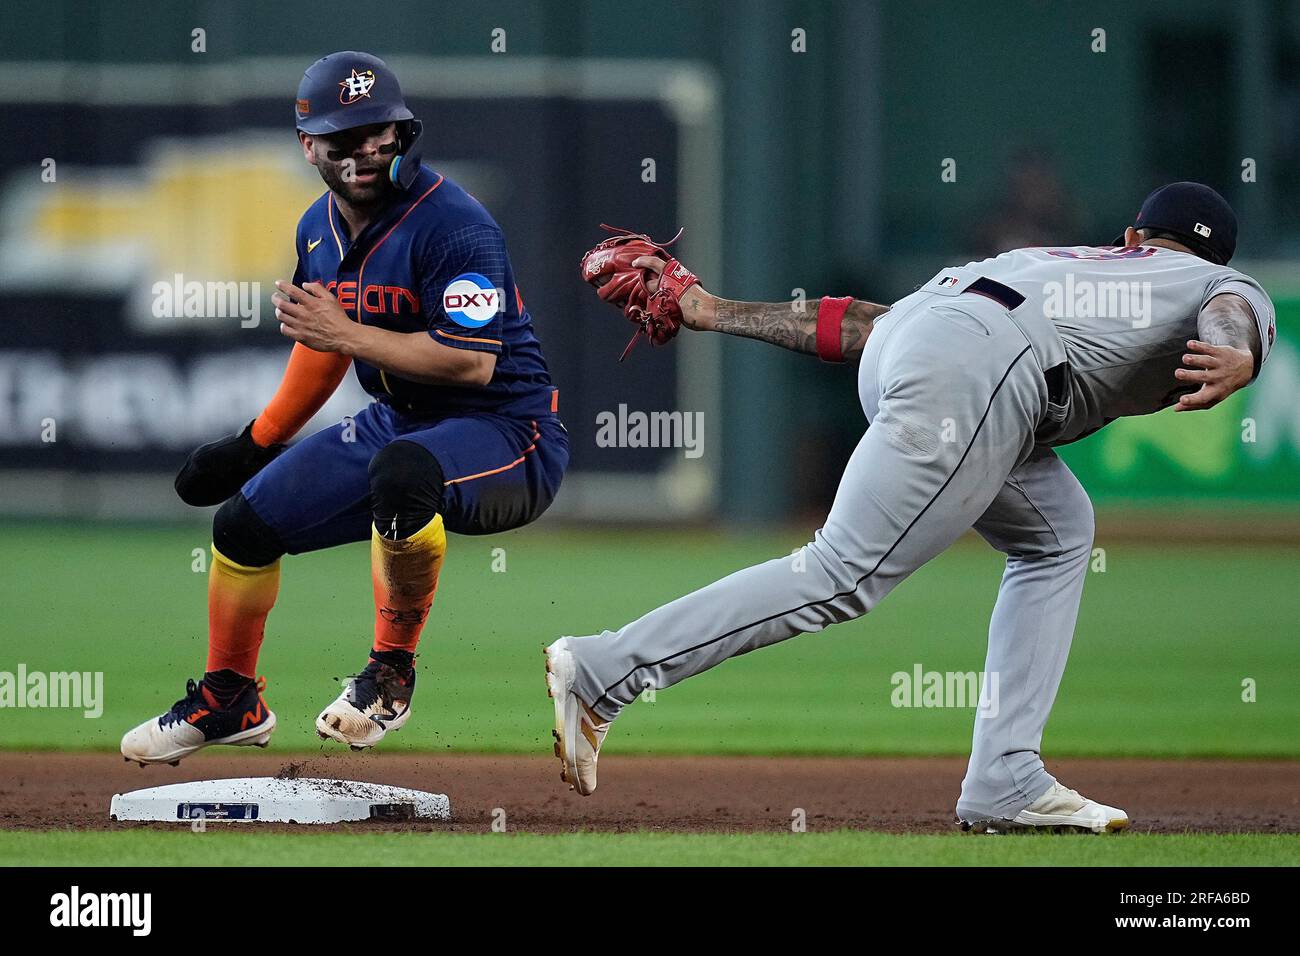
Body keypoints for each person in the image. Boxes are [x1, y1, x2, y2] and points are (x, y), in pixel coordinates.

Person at [548, 182, 1273, 832]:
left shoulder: (1059, 261)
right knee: (840, 574)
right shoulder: (1215, 279)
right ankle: (608, 668)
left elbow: (866, 326)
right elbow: (1229, 307)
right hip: (990, 375)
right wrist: (1236, 353)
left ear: (1133, 239)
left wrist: (711, 310)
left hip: (924, 347)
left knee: (1059, 532)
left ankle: (1004, 776)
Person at [122, 51, 568, 765]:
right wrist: (257, 442)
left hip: (509, 432)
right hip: (403, 424)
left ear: (401, 134)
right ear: (309, 146)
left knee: (401, 476)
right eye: (342, 137)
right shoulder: (316, 229)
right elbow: (324, 344)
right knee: (241, 527)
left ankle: (390, 674)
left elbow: (471, 361)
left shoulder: (455, 224)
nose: (362, 151)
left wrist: (348, 332)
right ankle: (231, 698)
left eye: (377, 134)